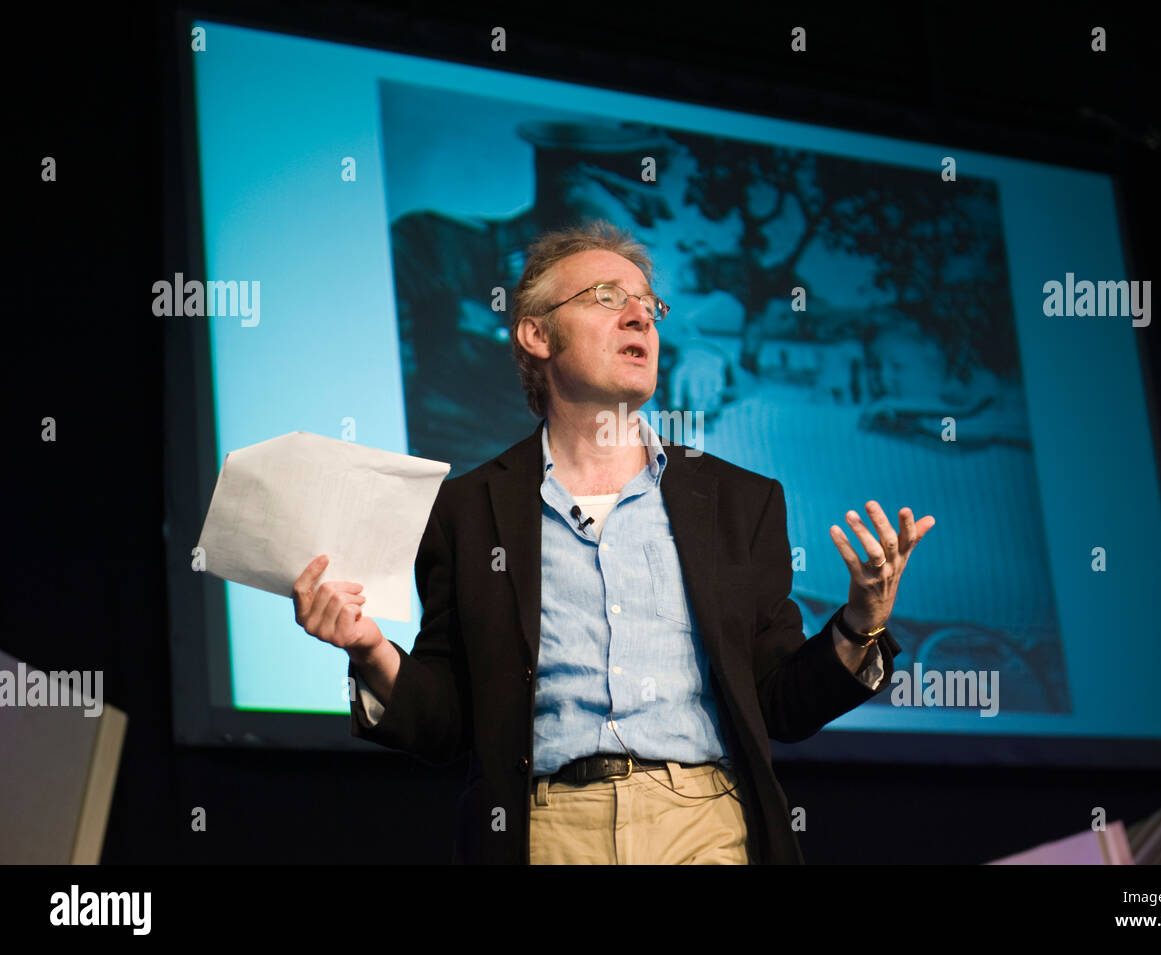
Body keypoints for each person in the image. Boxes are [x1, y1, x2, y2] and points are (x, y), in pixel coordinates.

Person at [292, 220, 935, 864]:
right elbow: (451, 722)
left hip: (707, 826)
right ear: (536, 334)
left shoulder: (741, 501)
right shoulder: (467, 510)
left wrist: (860, 623)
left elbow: (779, 705)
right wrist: (371, 649)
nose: (639, 317)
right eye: (605, 296)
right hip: (547, 833)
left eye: (649, 305)